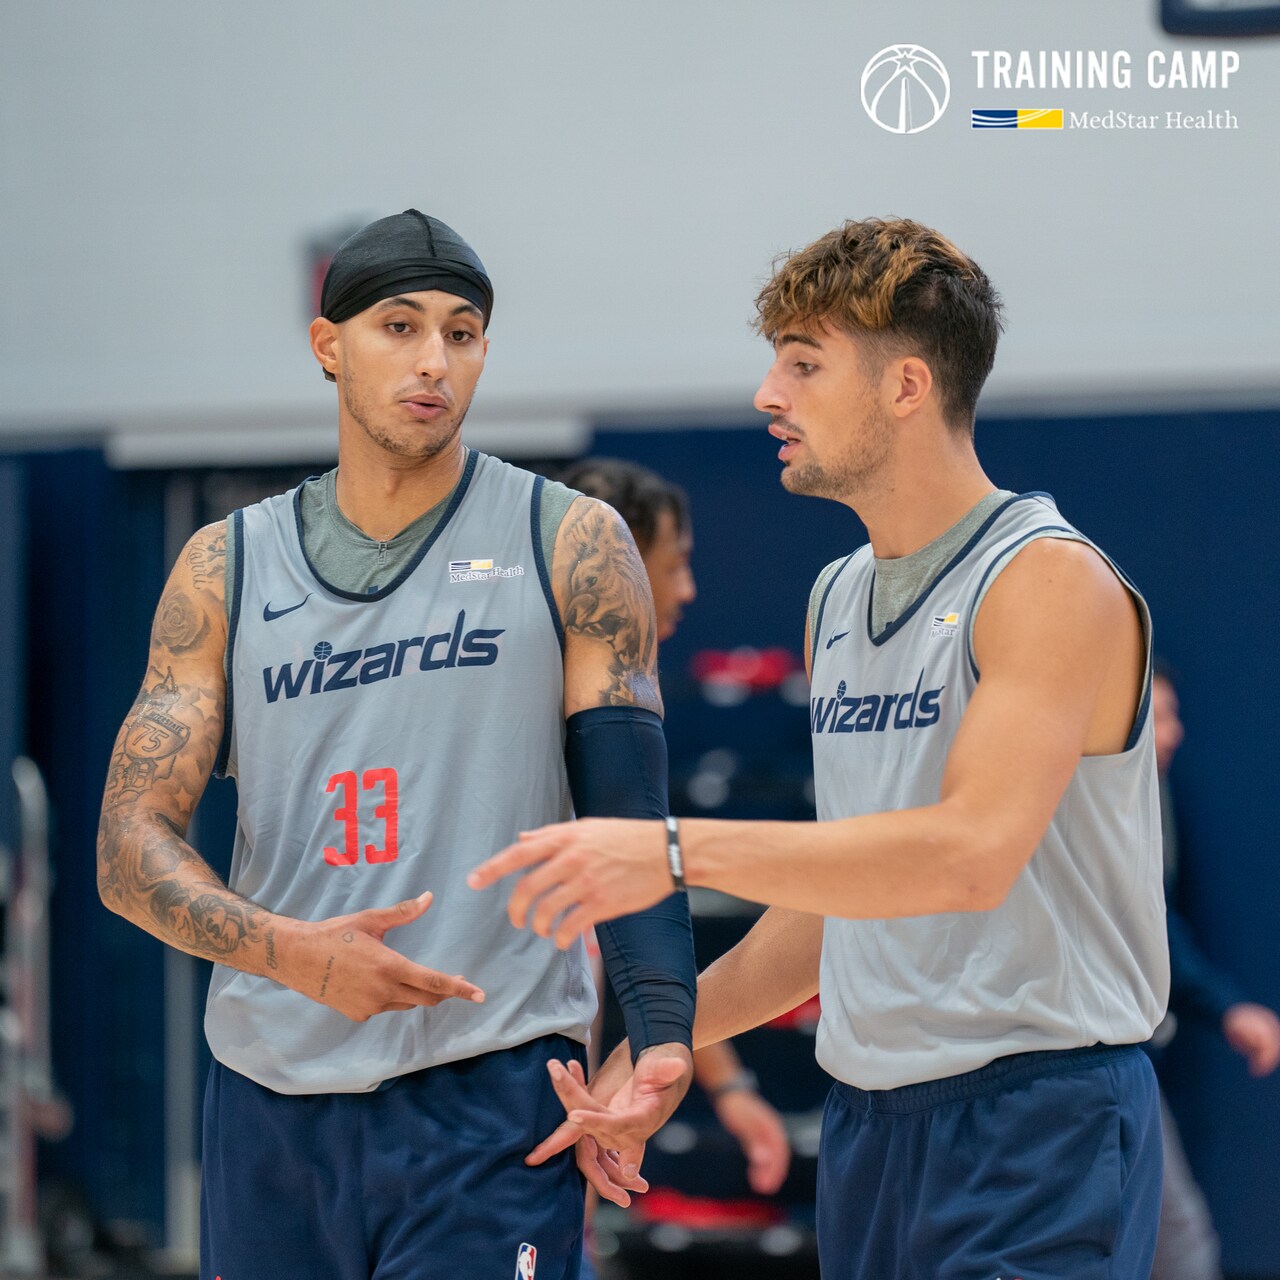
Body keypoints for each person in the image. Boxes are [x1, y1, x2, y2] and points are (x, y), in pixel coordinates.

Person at [472, 217, 1171, 1278]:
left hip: (1037, 1118)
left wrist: (668, 849)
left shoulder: (1042, 579)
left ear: (903, 386)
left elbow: (965, 856)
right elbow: (842, 893)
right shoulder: (836, 596)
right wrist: (665, 1044)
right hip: (871, 1129)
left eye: (802, 363)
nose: (767, 393)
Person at [95, 209, 697, 1280]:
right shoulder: (222, 567)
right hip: (273, 1095)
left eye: (462, 334)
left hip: (494, 1085)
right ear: (328, 345)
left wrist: (659, 1041)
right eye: (399, 326)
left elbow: (629, 832)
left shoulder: (569, 541)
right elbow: (126, 847)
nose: (434, 361)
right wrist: (290, 951)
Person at [562, 456, 792, 1196]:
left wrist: (725, 1087)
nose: (687, 589)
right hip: (502, 1073)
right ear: (616, 559)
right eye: (676, 563)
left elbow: (642, 937)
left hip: (583, 1076)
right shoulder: (547, 720)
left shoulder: (620, 711)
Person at [1148, 665, 1280, 1280]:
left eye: (1175, 716)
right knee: (1180, 1252)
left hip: (1122, 1071)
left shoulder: (1152, 798)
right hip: (1073, 1077)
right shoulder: (1071, 808)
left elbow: (1156, 928)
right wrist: (1226, 1005)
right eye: (1159, 716)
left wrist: (1225, 1007)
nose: (1173, 734)